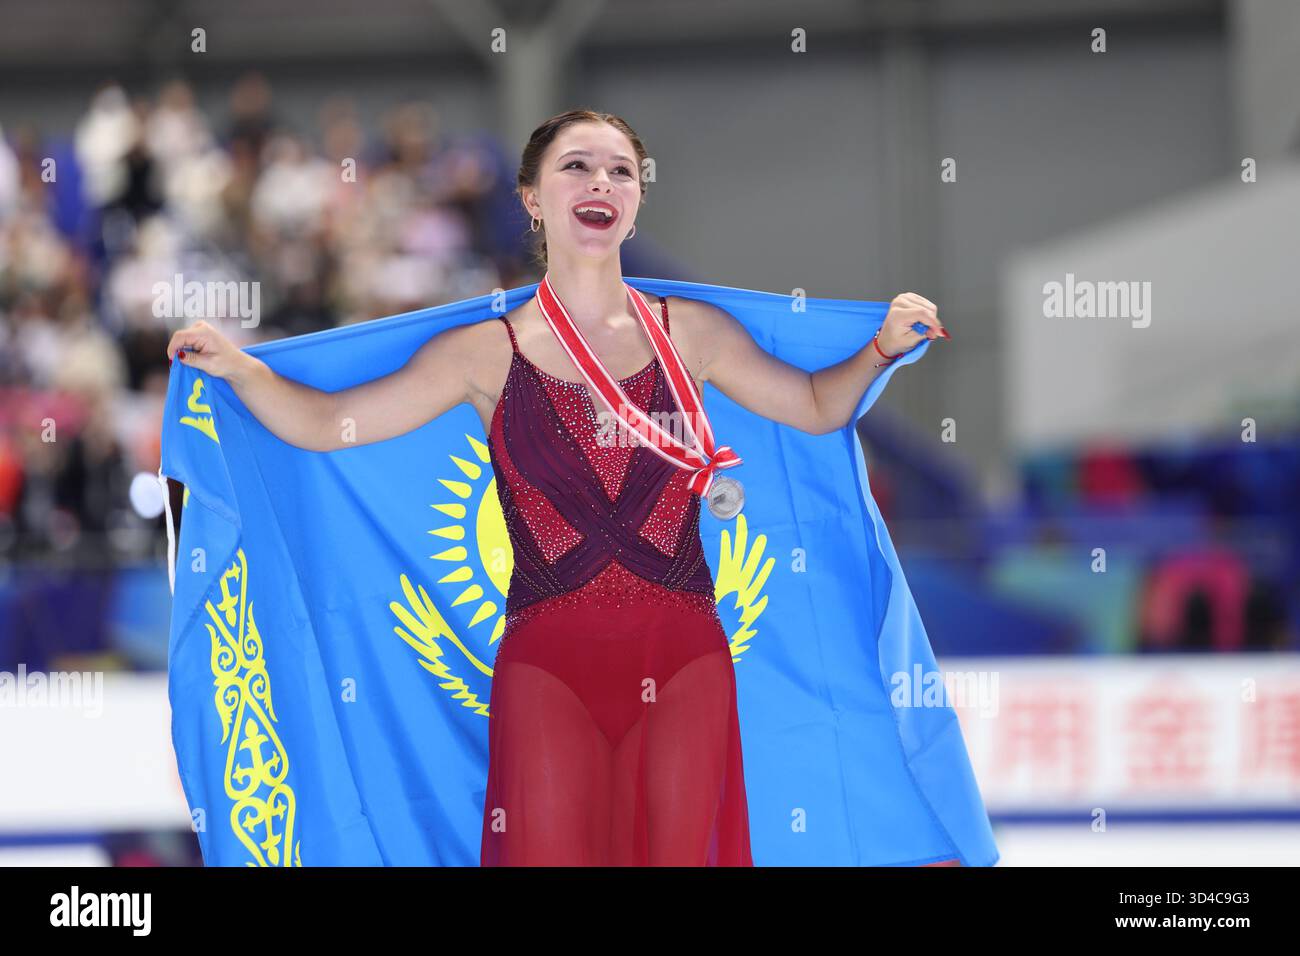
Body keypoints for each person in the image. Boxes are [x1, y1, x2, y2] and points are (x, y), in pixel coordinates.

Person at [164, 108, 946, 866]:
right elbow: (328, 424)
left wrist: (880, 349)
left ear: (635, 203)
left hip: (684, 666)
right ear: (533, 200)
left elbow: (815, 406)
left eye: (620, 171)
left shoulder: (692, 333)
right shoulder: (483, 354)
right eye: (576, 166)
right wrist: (243, 370)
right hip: (547, 672)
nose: (600, 181)